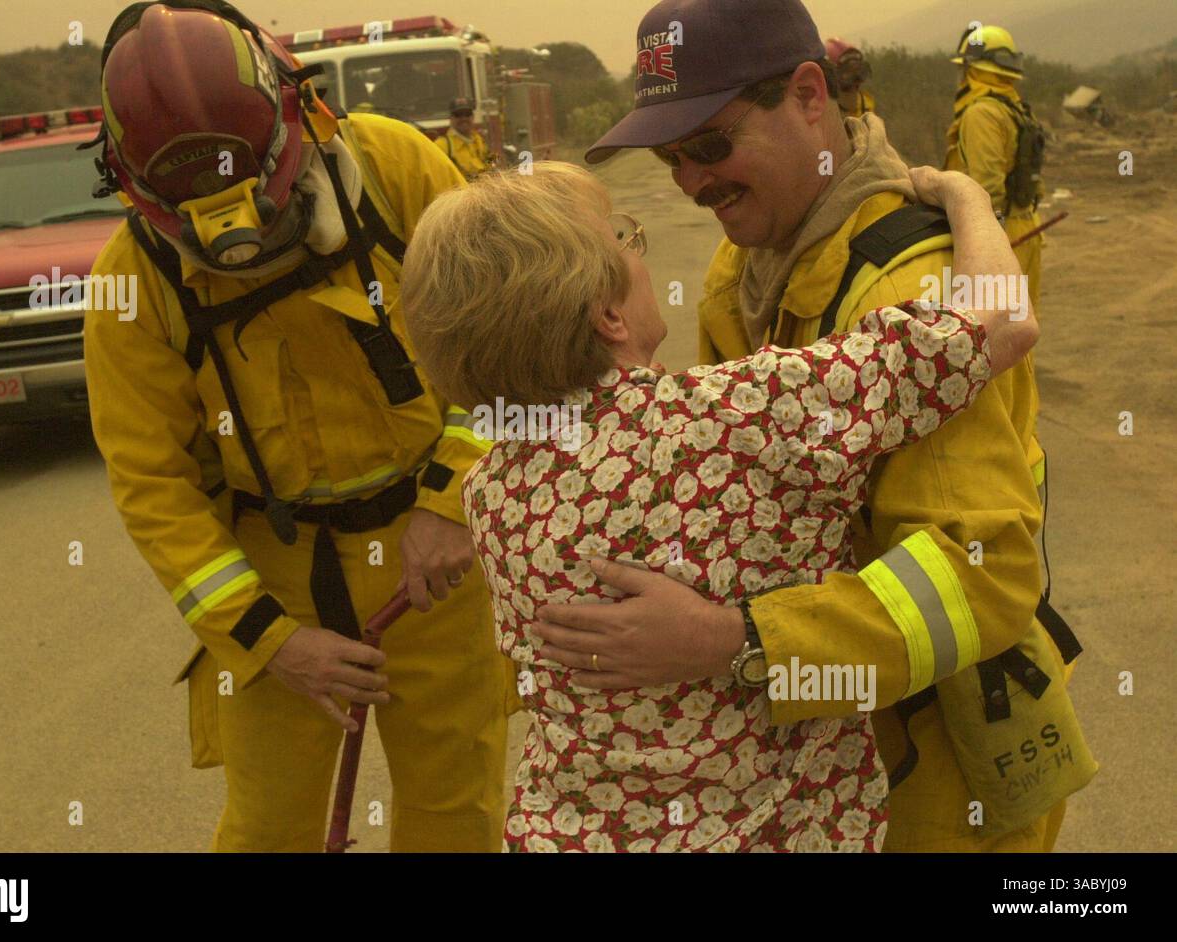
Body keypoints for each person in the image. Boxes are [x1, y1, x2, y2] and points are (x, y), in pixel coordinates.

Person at [564, 0, 1094, 852]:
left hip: (933, 756)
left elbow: (982, 576)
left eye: (709, 145)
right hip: (822, 745)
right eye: (670, 159)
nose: (692, 183)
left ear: (810, 97)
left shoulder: (911, 288)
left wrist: (729, 640)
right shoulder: (749, 259)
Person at [401, 160, 1039, 852]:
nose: (639, 253)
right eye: (624, 240)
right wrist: (962, 192)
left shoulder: (487, 493)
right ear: (608, 314)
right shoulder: (740, 415)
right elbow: (1001, 320)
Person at [81, 0, 511, 852]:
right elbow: (154, 489)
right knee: (268, 829)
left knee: (453, 816)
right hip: (274, 573)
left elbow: (506, 341)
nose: (236, 236)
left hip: (432, 561)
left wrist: (452, 501)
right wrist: (268, 641)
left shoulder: (392, 167)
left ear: (299, 112)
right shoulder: (130, 286)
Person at [945, 24, 1048, 310]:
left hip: (1001, 236)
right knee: (1020, 324)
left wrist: (986, 247)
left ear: (972, 68)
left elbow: (987, 188)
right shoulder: (1014, 107)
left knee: (993, 331)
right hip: (1026, 227)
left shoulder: (981, 113)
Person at [442, 98, 494, 180]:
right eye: (458, 115)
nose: (464, 119)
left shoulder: (479, 140)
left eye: (467, 114)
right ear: (451, 119)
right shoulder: (442, 145)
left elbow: (491, 164)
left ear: (473, 117)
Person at [825, 38, 875, 118]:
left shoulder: (866, 106)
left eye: (857, 70)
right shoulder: (823, 113)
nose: (855, 79)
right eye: (847, 72)